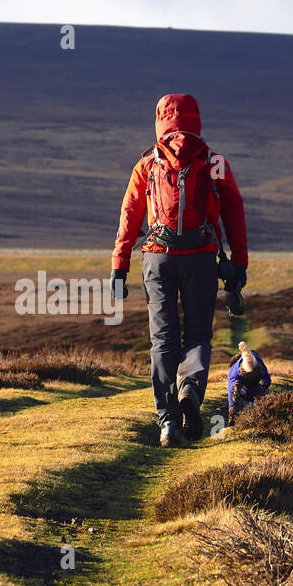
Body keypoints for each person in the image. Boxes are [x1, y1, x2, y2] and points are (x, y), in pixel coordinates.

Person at [110, 94, 248, 447]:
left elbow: (130, 214)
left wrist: (119, 266)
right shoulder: (215, 162)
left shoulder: (147, 163)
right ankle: (190, 389)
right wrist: (239, 264)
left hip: (158, 256)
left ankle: (167, 422)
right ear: (196, 121)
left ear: (160, 121)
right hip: (201, 257)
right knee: (199, 335)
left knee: (163, 339)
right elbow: (234, 211)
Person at [228, 340, 271, 424]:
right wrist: (231, 408)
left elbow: (268, 379)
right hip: (242, 389)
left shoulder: (260, 366)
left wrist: (265, 383)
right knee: (235, 386)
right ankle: (233, 420)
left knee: (260, 387)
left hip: (257, 388)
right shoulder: (235, 371)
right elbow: (230, 390)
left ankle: (257, 415)